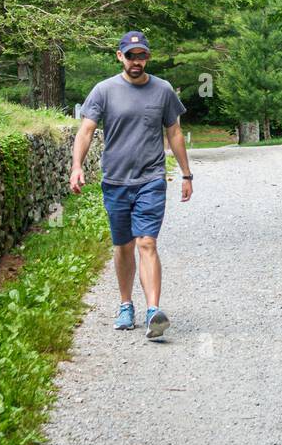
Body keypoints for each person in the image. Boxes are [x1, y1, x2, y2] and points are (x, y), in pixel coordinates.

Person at [70, 31, 192, 339]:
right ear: (119, 56)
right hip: (115, 180)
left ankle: (153, 310)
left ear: (147, 58)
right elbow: (85, 131)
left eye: (142, 56)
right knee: (122, 246)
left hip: (151, 179)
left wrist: (186, 174)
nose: (136, 61)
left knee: (146, 243)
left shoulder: (162, 90)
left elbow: (174, 133)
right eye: (131, 55)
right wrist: (76, 167)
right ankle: (126, 305)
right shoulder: (104, 90)